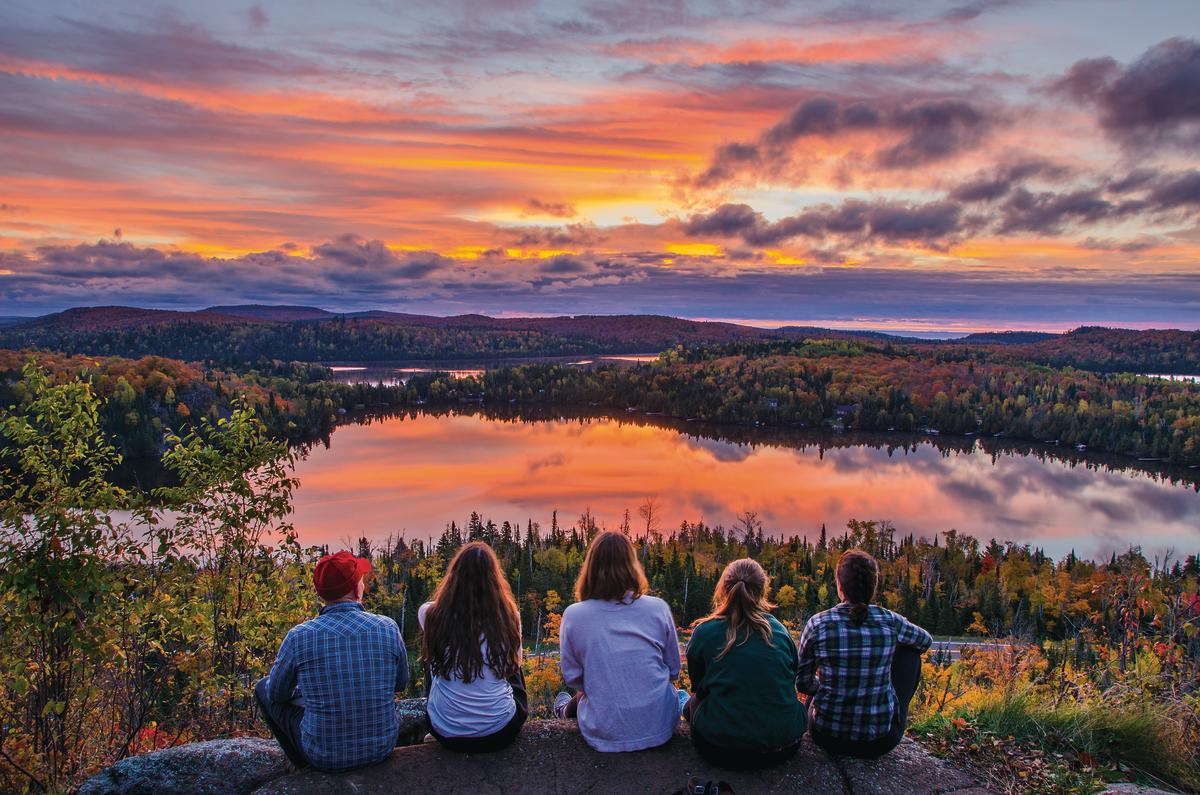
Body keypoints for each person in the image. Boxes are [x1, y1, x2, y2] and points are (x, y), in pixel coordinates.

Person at [255, 550, 410, 772]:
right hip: (381, 749)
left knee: (263, 687)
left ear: (321, 594)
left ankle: (301, 766)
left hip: (324, 757)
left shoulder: (299, 637)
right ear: (356, 589)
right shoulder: (387, 627)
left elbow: (276, 694)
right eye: (361, 580)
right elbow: (400, 684)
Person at [554, 530, 685, 752]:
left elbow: (574, 679)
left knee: (586, 695)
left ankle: (564, 710)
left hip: (603, 731)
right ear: (632, 566)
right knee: (677, 694)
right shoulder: (658, 608)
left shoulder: (574, 615)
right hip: (660, 727)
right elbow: (673, 671)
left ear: (591, 568)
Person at [798, 548, 932, 758]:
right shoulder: (890, 621)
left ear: (840, 586)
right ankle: (892, 710)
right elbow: (925, 641)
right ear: (874, 586)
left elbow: (803, 683)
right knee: (910, 654)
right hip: (880, 741)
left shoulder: (818, 623)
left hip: (827, 735)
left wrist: (827, 686)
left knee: (818, 683)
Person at [683, 558, 806, 769]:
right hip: (785, 747)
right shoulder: (780, 632)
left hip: (719, 749)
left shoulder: (704, 632)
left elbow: (699, 687)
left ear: (723, 589)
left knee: (690, 703)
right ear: (762, 591)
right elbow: (790, 677)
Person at [418, 542, 528, 752]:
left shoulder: (429, 614)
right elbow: (514, 665)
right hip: (500, 731)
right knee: (513, 665)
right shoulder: (510, 617)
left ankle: (449, 711)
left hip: (445, 731)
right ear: (494, 580)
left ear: (454, 577)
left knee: (434, 654)